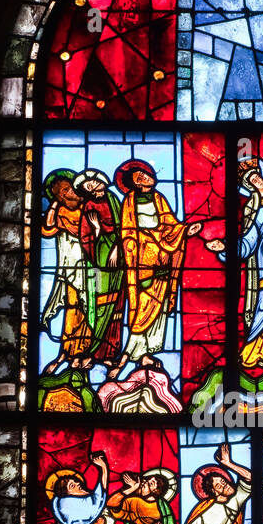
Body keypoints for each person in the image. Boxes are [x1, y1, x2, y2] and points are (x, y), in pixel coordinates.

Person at [106, 159, 203, 378]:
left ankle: (146, 354)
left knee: (158, 310)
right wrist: (128, 246)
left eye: (145, 174)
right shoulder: (129, 201)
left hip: (162, 258)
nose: (146, 178)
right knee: (142, 308)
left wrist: (184, 231)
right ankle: (125, 357)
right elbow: (127, 231)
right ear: (135, 184)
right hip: (141, 259)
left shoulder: (159, 199)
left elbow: (170, 226)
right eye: (139, 178)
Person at [206, 157, 263, 368]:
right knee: (260, 310)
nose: (257, 181)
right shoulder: (251, 208)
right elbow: (249, 241)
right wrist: (225, 247)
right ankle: (249, 355)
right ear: (248, 185)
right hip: (260, 269)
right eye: (252, 180)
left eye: (258, 177)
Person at [40, 169, 99, 374]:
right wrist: (54, 205)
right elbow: (47, 228)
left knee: (92, 309)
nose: (67, 194)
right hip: (71, 271)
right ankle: (69, 352)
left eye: (67, 189)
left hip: (93, 268)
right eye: (60, 193)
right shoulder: (61, 213)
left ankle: (86, 352)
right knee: (73, 310)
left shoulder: (89, 209)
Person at [73, 168, 126, 368]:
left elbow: (124, 227)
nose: (93, 186)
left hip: (118, 257)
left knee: (117, 308)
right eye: (88, 186)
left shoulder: (114, 199)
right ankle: (96, 349)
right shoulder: (89, 206)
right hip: (99, 261)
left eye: (94, 182)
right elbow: (85, 238)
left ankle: (112, 352)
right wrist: (96, 230)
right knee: (103, 305)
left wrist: (117, 248)